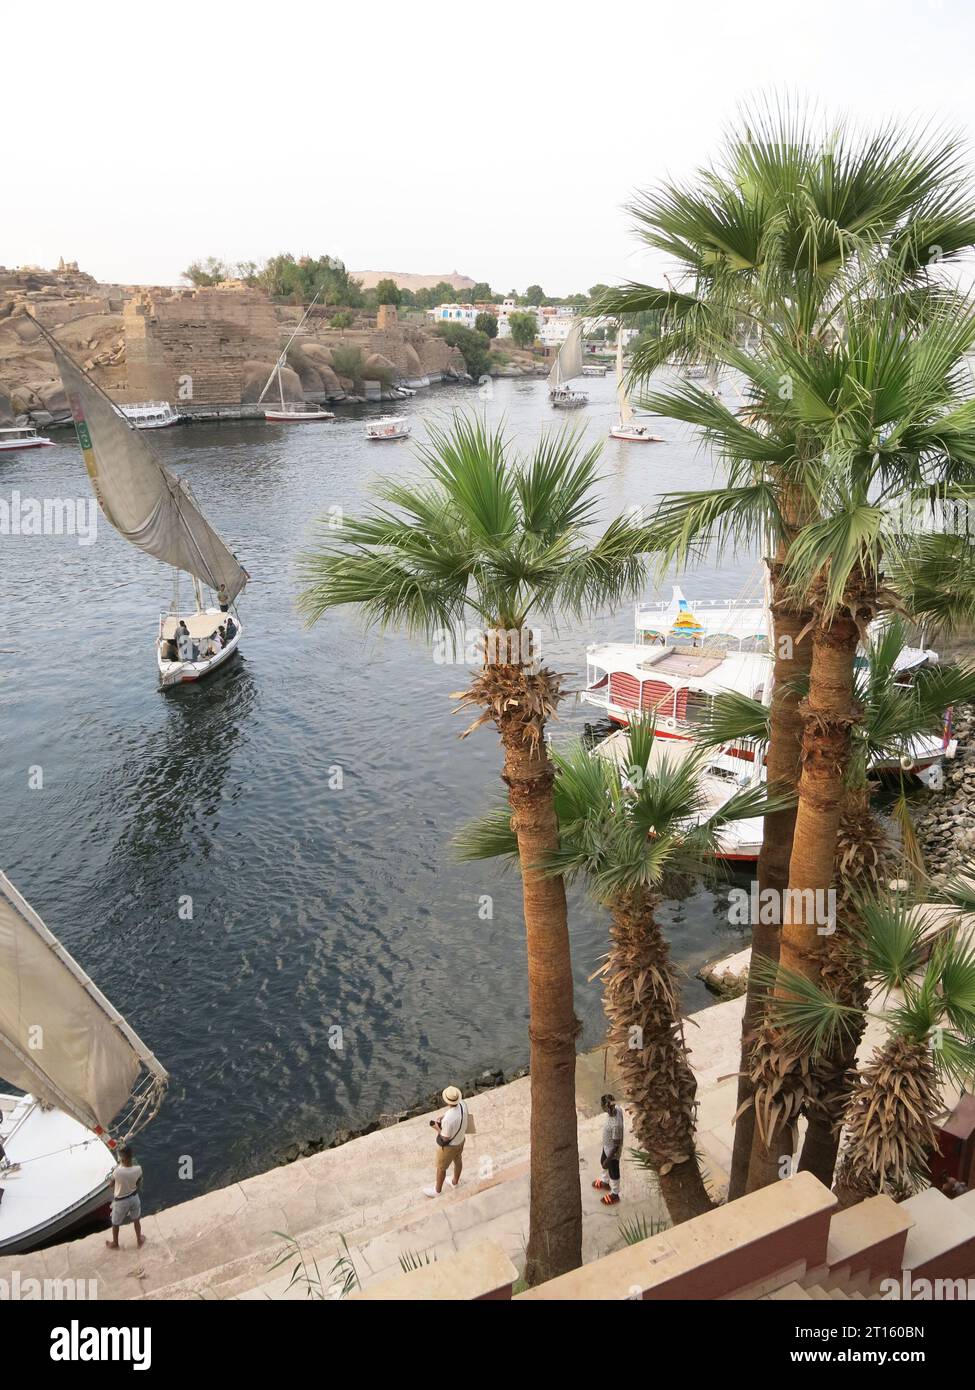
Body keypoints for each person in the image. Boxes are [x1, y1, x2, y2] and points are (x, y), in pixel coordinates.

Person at [423, 1085, 468, 1197]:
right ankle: (455, 1182)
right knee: (458, 1160)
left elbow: (445, 1138)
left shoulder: (448, 1120)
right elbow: (455, 1115)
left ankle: (437, 1191)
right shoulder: (463, 1104)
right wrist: (443, 1117)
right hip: (461, 1140)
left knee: (441, 1168)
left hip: (450, 1147)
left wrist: (436, 1127)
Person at [106, 1145, 145, 1249]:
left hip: (121, 1201)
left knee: (115, 1223)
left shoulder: (117, 1171)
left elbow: (111, 1185)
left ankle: (115, 1243)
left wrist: (117, 1168)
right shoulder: (138, 1169)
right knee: (136, 1220)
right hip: (134, 1198)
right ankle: (139, 1240)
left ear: (122, 1158)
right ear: (131, 1156)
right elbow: (137, 1183)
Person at [593, 1093, 624, 1205]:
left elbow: (616, 1145)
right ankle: (605, 1182)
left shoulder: (616, 1125)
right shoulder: (617, 1109)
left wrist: (609, 1159)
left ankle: (615, 1194)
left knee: (613, 1172)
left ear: (606, 1106)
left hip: (613, 1153)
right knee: (602, 1162)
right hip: (607, 1146)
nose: (601, 1106)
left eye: (602, 1105)